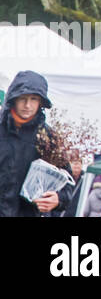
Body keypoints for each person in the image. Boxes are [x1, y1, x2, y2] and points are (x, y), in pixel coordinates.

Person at [0, 71, 68, 217]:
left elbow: (66, 180)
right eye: (22, 98)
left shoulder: (48, 138)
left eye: (34, 99)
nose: (27, 105)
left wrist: (58, 198)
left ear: (41, 102)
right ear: (13, 99)